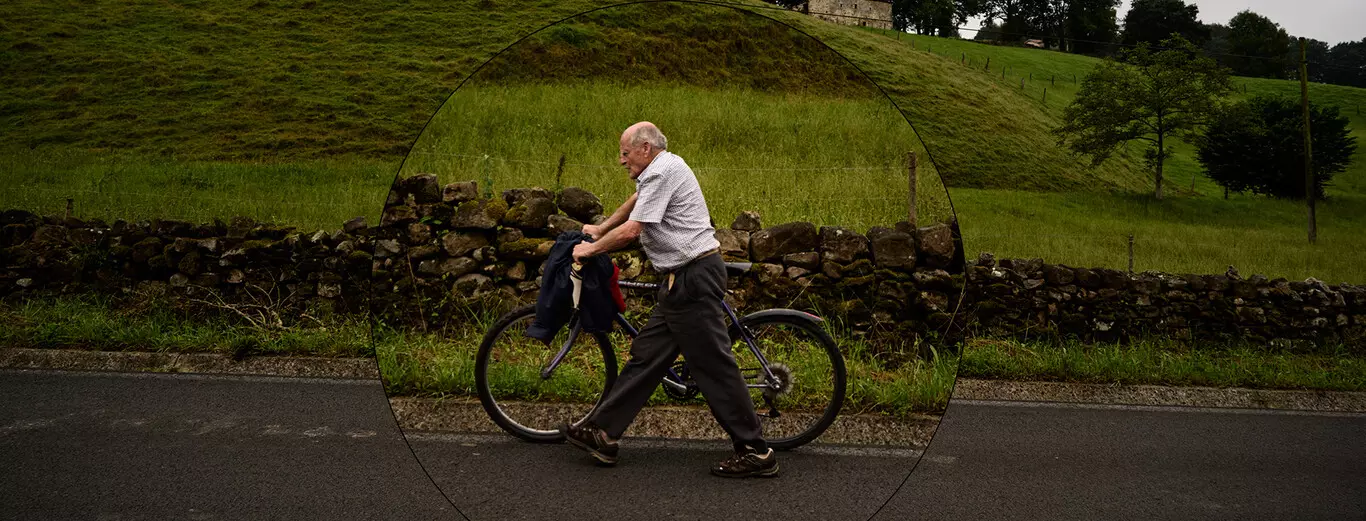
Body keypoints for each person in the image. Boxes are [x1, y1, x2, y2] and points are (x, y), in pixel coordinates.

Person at [561, 121, 778, 478]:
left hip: (693, 279)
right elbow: (633, 204)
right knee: (646, 357)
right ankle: (604, 434)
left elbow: (633, 230)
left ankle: (756, 451)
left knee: (713, 367)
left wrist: (592, 249)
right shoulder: (659, 170)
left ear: (645, 148)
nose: (621, 160)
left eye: (625, 153)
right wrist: (600, 228)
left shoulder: (662, 172)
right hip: (680, 282)